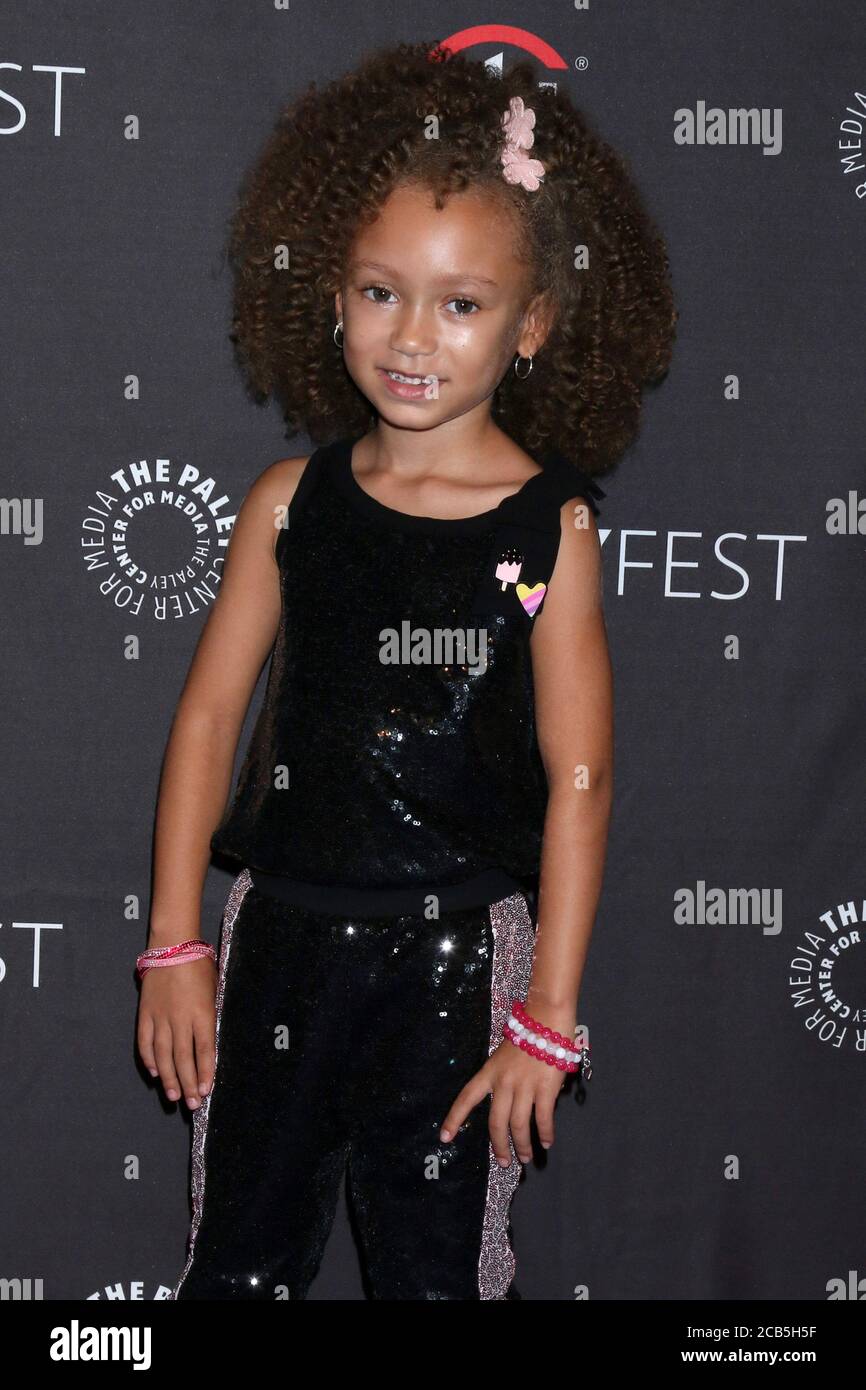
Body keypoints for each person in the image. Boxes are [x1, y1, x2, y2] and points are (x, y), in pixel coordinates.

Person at [137, 38, 677, 1301]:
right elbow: (211, 718)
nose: (412, 335)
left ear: (532, 323)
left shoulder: (549, 531)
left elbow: (580, 775)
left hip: (456, 969)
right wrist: (174, 942)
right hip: (272, 943)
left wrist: (545, 1014)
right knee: (235, 1269)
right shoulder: (287, 504)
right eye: (381, 291)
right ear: (331, 297)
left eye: (462, 302)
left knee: (439, 1279)